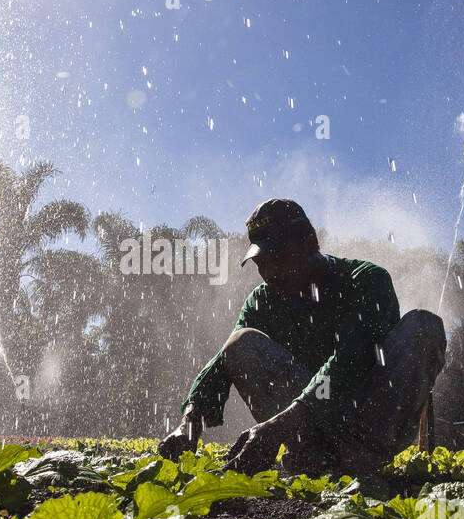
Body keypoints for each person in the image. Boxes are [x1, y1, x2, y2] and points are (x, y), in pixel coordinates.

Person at [157, 198, 447, 476]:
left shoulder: (367, 280)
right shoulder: (264, 300)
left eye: (278, 257)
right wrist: (189, 423)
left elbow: (351, 362)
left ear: (310, 242)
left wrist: (278, 427)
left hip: (370, 421)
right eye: (261, 263)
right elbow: (221, 363)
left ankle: (361, 456)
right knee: (240, 343)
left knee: (424, 325)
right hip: (317, 433)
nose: (269, 271)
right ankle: (315, 454)